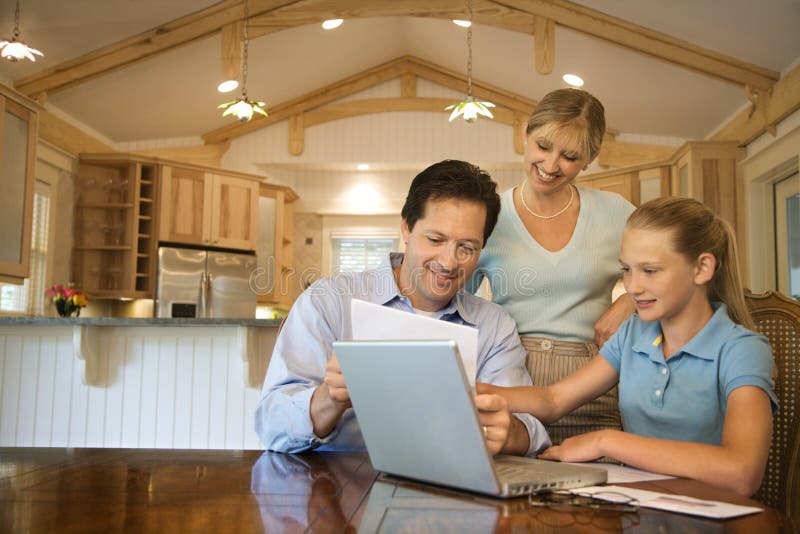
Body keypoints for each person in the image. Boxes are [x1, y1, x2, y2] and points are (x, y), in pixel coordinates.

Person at [479, 197, 777, 496]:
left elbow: (742, 473)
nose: (633, 287)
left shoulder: (742, 350)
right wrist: (468, 391)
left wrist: (607, 442)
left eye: (650, 271)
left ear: (702, 268)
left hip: (710, 509)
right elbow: (553, 400)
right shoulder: (633, 333)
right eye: (626, 269)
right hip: (639, 503)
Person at [255, 159, 550, 456]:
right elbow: (271, 426)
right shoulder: (327, 302)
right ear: (406, 228)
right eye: (435, 239)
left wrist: (509, 434)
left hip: (447, 477)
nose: (449, 262)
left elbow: (532, 430)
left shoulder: (494, 325)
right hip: (335, 476)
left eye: (467, 248)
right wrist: (329, 399)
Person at [467, 88, 636, 445]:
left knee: (598, 478)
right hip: (508, 377)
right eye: (543, 146)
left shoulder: (616, 212)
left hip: (592, 384)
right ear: (525, 135)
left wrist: (629, 301)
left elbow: (671, 271)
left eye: (570, 156)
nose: (551, 165)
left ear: (591, 158)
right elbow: (453, 305)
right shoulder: (488, 215)